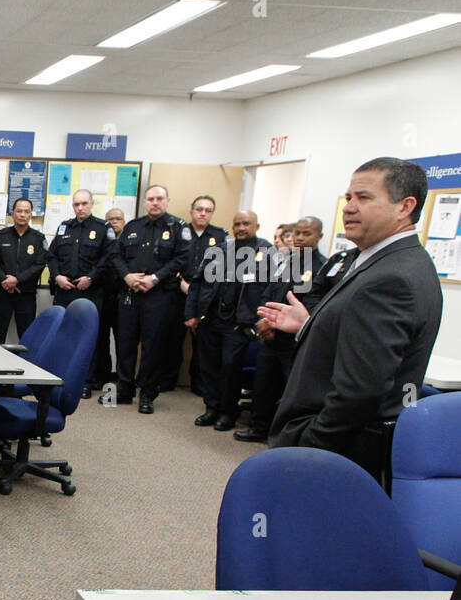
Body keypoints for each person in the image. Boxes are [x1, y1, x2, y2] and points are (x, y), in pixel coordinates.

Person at [259, 157, 442, 482]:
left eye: (364, 197)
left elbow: (359, 392)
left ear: (405, 207)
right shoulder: (387, 261)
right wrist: (309, 324)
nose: (349, 207)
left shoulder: (392, 277)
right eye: (349, 198)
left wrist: (311, 447)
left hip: (338, 454)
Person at [235, 215, 327, 443]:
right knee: (263, 384)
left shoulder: (322, 267)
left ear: (319, 236)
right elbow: (269, 291)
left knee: (289, 391)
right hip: (271, 336)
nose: (301, 238)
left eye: (307, 233)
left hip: (293, 340)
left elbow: (312, 305)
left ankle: (284, 435)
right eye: (298, 233)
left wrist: (278, 323)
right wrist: (264, 318)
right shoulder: (286, 261)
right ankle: (259, 428)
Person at [185, 210, 273, 431]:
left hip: (240, 322)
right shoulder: (220, 249)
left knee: (230, 368)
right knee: (208, 366)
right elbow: (198, 282)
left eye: (246, 223)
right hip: (211, 318)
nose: (241, 227)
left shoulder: (267, 252)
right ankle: (211, 408)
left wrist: (261, 318)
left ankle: (227, 412)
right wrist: (192, 313)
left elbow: (271, 289)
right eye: (237, 224)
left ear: (256, 226)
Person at [109, 184, 191, 413]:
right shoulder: (133, 226)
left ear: (167, 201)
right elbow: (115, 255)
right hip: (130, 293)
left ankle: (147, 393)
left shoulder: (178, 227)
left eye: (159, 198)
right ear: (145, 202)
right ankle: (124, 390)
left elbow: (182, 258)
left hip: (159, 296)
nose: (155, 202)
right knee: (125, 343)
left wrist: (155, 278)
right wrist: (126, 276)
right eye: (151, 199)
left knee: (152, 346)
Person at [48, 189, 113, 394]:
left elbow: (109, 257)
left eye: (84, 203)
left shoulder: (103, 228)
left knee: (88, 337)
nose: (80, 208)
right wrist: (57, 276)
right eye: (77, 204)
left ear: (92, 204)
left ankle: (85, 381)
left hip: (90, 292)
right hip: (65, 290)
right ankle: (60, 376)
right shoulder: (64, 227)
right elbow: (51, 256)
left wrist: (91, 277)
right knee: (63, 334)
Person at [166, 195, 224, 395]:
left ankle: (199, 384)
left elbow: (220, 270)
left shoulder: (220, 236)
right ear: (192, 211)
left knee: (203, 344)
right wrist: (182, 283)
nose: (203, 213)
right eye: (199, 209)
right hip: (177, 290)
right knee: (172, 340)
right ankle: (168, 380)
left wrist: (198, 291)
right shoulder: (179, 232)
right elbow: (170, 261)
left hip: (205, 297)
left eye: (208, 210)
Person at [0, 197, 52, 343]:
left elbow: (40, 264)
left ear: (31, 214)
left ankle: (27, 365)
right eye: (19, 211)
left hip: (26, 295)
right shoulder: (0, 236)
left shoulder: (39, 239)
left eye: (26, 211)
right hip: (3, 293)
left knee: (27, 335)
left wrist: (17, 280)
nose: (22, 214)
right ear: (12, 213)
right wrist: (4, 279)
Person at [91, 208, 126, 391]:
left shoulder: (128, 242)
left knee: (123, 340)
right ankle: (102, 376)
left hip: (122, 298)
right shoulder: (101, 242)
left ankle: (122, 378)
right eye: (110, 219)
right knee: (101, 340)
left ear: (124, 222)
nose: (114, 222)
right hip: (102, 297)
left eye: (118, 219)